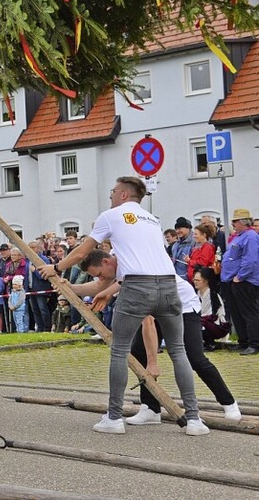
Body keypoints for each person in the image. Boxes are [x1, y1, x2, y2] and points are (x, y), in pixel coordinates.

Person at [40, 176, 207, 436]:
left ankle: (114, 418)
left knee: (119, 351)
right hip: (168, 286)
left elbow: (83, 252)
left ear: (124, 195)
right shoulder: (152, 220)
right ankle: (195, 420)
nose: (110, 194)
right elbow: (143, 259)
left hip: (137, 288)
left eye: (113, 191)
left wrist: (56, 267)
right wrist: (99, 290)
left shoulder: (111, 215)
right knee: (178, 351)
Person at [76, 250, 241, 423]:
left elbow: (148, 322)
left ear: (106, 262)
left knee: (194, 357)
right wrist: (68, 287)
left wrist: (153, 362)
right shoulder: (117, 260)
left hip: (181, 306)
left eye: (100, 274)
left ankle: (229, 403)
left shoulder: (134, 266)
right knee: (138, 352)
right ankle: (151, 408)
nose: (101, 279)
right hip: (157, 304)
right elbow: (101, 287)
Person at [221, 208, 259, 355]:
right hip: (234, 280)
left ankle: (254, 343)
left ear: (243, 222)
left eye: (235, 221)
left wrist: (240, 276)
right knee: (237, 312)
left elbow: (251, 259)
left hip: (244, 281)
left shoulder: (250, 237)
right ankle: (244, 341)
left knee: (249, 312)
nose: (233, 224)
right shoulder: (240, 236)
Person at [193, 266, 230, 350]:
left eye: (198, 280)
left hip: (217, 326)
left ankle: (210, 343)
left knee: (199, 322)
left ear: (205, 281)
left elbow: (212, 316)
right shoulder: (196, 294)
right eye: (194, 280)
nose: (195, 282)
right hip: (205, 322)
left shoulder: (213, 296)